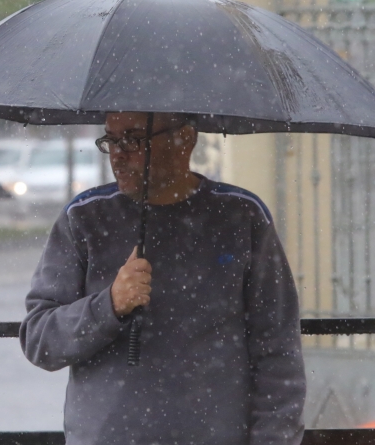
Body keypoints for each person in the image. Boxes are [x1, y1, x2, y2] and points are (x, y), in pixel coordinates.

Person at [20, 112, 305, 445]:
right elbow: (40, 340)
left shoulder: (241, 216)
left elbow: (277, 350)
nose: (118, 154)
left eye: (133, 139)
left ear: (185, 139)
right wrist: (109, 305)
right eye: (111, 140)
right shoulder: (84, 218)